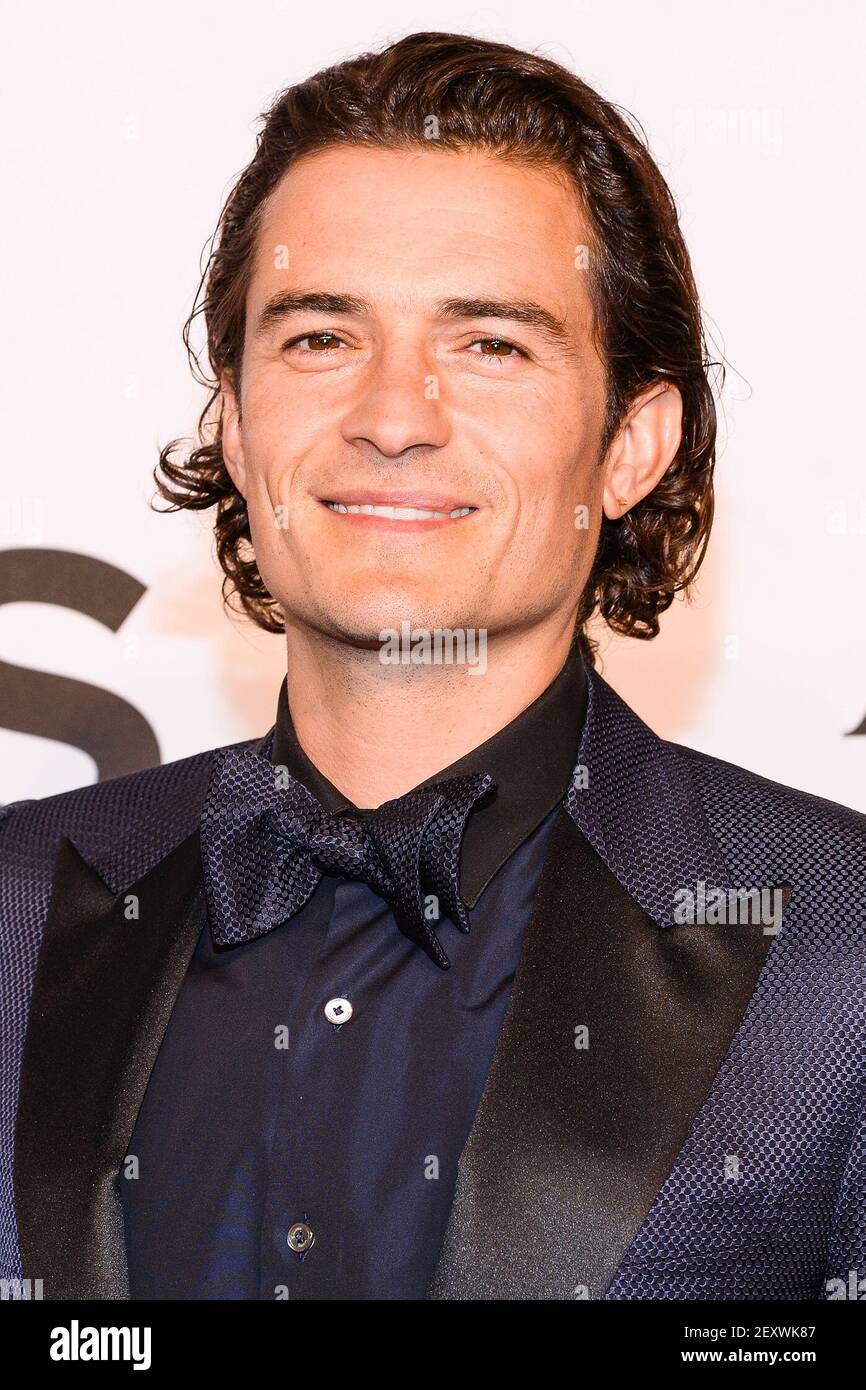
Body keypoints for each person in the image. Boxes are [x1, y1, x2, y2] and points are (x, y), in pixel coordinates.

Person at [2, 31, 864, 1302]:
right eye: (317, 337)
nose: (394, 414)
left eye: (490, 345)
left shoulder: (837, 951)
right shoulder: (15, 903)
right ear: (234, 424)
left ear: (631, 443)